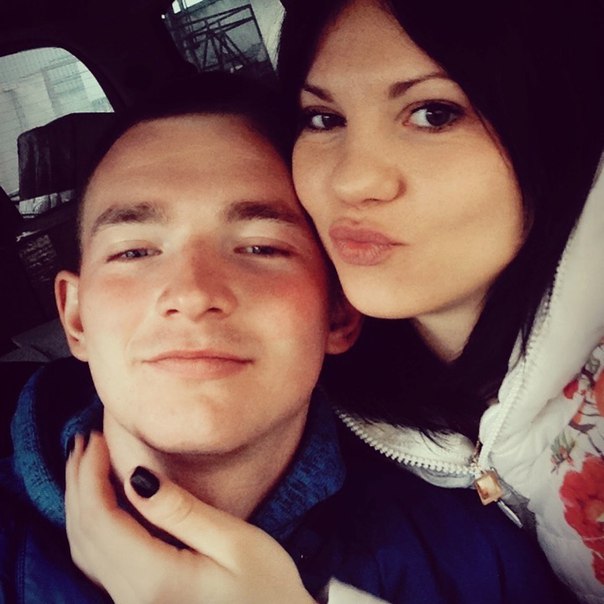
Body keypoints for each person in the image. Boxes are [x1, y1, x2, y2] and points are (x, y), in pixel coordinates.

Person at [58, 0, 603, 603]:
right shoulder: (395, 417)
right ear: (73, 314)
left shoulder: (467, 551)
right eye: (323, 118)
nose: (351, 180)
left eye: (434, 113)